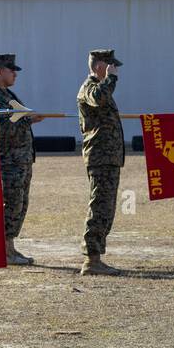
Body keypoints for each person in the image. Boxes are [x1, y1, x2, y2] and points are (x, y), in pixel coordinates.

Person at [0, 52, 43, 265]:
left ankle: (10, 248)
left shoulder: (8, 95)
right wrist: (29, 120)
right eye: (11, 70)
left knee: (19, 204)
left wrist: (28, 119)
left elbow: (16, 119)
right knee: (11, 204)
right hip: (8, 162)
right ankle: (5, 251)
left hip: (20, 160)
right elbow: (3, 129)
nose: (15, 74)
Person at [77, 48, 124, 276]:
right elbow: (98, 98)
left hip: (109, 159)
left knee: (106, 208)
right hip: (99, 157)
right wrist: (111, 78)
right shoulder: (90, 88)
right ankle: (91, 260)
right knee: (99, 207)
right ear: (98, 66)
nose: (114, 69)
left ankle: (96, 257)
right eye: (110, 65)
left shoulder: (101, 88)